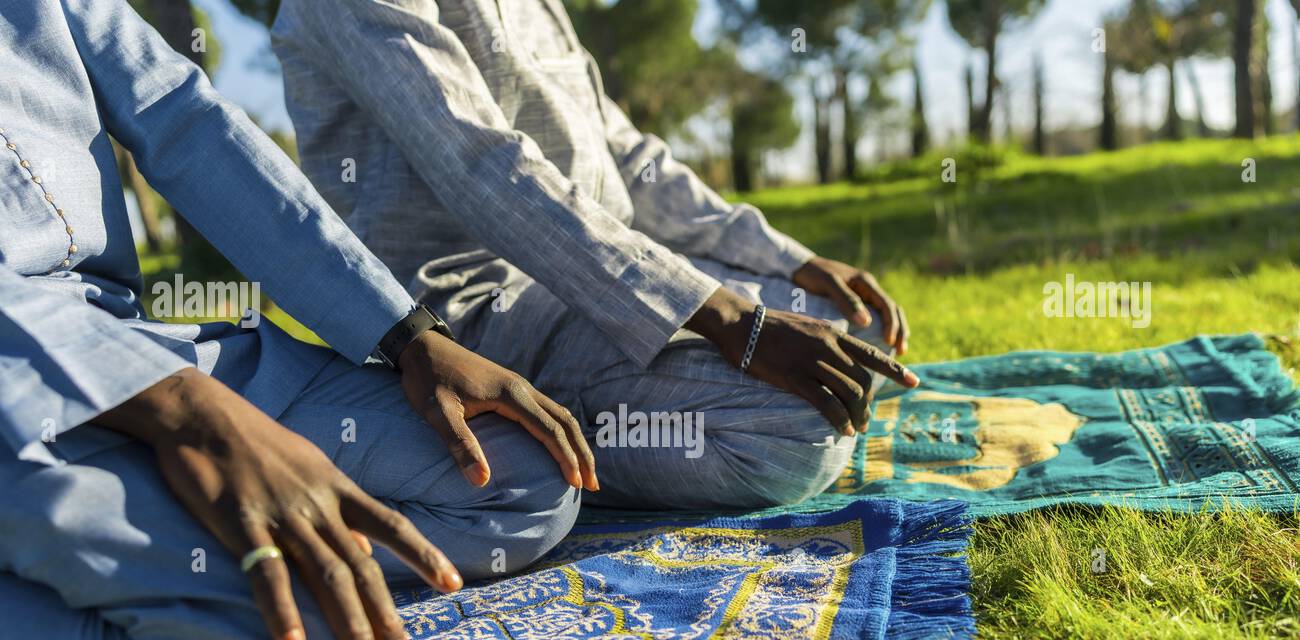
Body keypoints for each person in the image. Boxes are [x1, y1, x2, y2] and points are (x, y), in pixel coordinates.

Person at [0, 0, 596, 640]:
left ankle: (191, 538)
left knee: (522, 474)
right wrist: (185, 413)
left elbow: (184, 120)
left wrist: (407, 334)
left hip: (130, 336)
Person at [272, 0, 920, 512]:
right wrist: (722, 314)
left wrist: (785, 260)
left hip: (614, 271)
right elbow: (482, 166)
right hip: (480, 314)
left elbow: (630, 157)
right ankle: (520, 432)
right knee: (796, 430)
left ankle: (649, 389)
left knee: (852, 323)